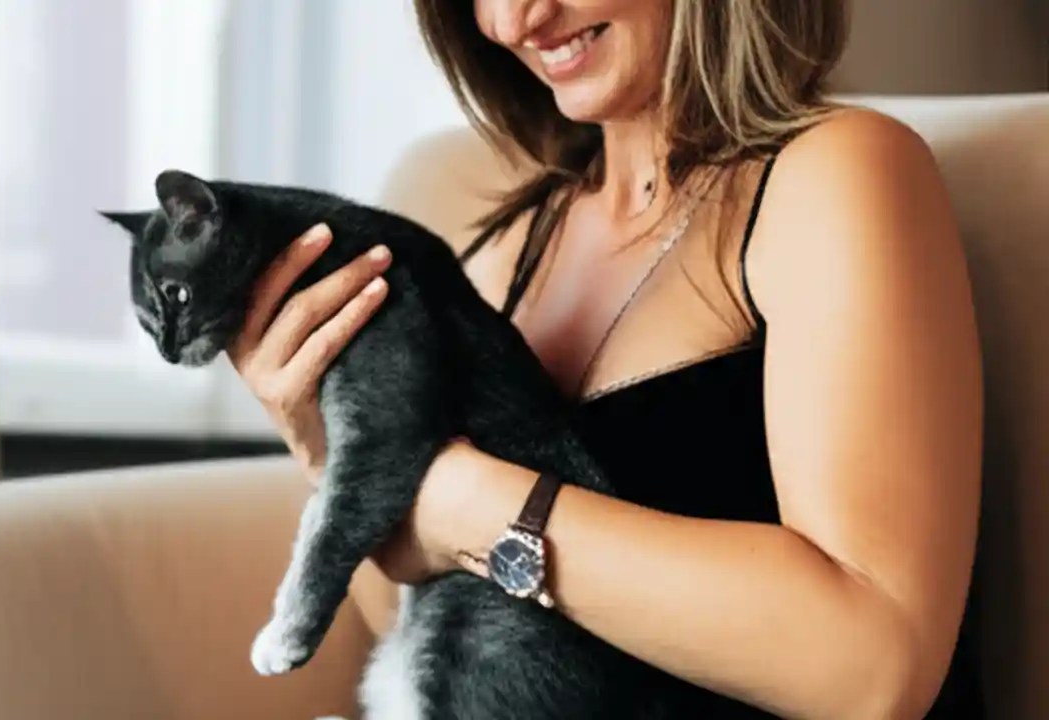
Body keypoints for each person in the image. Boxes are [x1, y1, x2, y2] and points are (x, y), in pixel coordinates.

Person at [226, 1, 985, 717]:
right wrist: (334, 456)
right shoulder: (507, 249)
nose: (514, 20)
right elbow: (422, 621)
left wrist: (472, 502)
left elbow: (876, 667)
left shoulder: (838, 172)